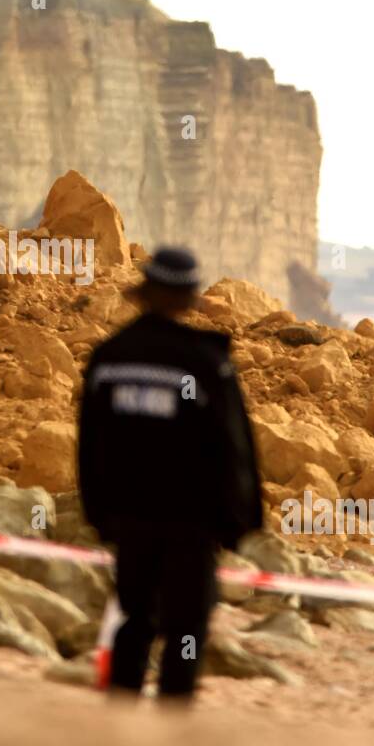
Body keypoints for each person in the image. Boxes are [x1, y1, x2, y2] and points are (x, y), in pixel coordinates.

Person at [78, 246, 262, 698]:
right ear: (189, 298)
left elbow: (90, 445)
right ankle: (173, 724)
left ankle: (120, 715)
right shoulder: (204, 362)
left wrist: (99, 515)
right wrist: (240, 522)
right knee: (185, 630)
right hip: (190, 523)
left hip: (129, 517)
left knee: (134, 620)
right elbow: (233, 447)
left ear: (144, 292)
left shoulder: (109, 358)